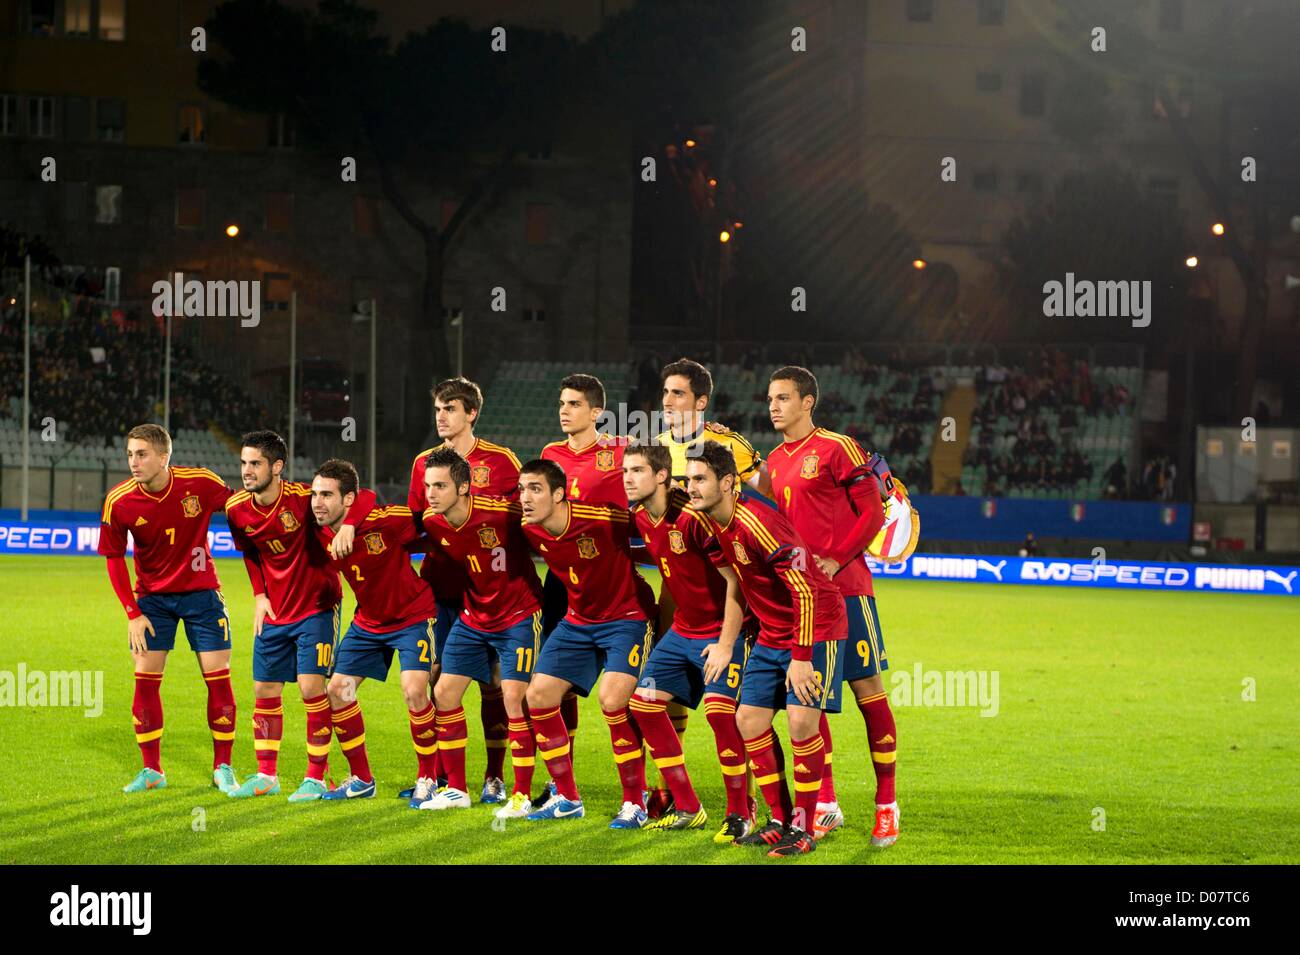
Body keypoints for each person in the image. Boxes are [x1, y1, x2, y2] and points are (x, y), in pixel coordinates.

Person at [687, 442, 848, 858]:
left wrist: (801, 658)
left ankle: (805, 826)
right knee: (750, 720)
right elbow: (739, 585)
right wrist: (729, 642)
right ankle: (779, 819)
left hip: (819, 625)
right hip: (773, 633)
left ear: (728, 483)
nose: (691, 488)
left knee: (800, 723)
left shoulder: (758, 522)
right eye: (689, 479)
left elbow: (806, 591)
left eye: (700, 479)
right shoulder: (715, 523)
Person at [765, 365, 900, 846]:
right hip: (803, 600)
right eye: (770, 399)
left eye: (783, 397)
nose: (774, 406)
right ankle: (825, 802)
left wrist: (837, 559)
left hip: (849, 589)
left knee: (868, 693)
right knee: (809, 700)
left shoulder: (837, 448)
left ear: (808, 402)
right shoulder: (773, 462)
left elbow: (874, 512)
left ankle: (887, 803)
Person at [225, 430, 374, 801]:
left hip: (316, 606)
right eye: (243, 463)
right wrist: (259, 594)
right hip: (274, 610)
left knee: (312, 689)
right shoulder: (236, 509)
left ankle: (315, 777)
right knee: (264, 689)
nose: (246, 471)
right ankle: (266, 775)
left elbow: (363, 497)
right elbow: (250, 552)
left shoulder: (304, 499)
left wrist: (352, 523)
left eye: (255, 463)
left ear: (277, 467)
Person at [100, 424, 241, 794]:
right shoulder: (120, 500)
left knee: (218, 677)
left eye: (142, 454)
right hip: (152, 602)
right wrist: (133, 613)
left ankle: (223, 767)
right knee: (145, 679)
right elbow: (114, 558)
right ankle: (152, 771)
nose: (134, 461)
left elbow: (240, 509)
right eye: (130, 454)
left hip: (203, 595)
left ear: (164, 457)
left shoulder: (201, 483)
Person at [517, 459, 657, 827]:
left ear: (559, 494)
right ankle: (566, 797)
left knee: (612, 701)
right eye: (521, 489)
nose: (525, 498)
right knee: (538, 696)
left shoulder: (602, 518)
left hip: (626, 618)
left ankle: (635, 801)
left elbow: (650, 527)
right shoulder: (531, 530)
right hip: (578, 621)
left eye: (535, 489)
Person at [401, 377, 521, 804]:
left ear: (471, 413)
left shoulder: (502, 461)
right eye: (437, 409)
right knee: (430, 680)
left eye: (449, 409)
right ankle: (430, 776)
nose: (441, 416)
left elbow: (519, 521)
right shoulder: (424, 464)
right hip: (437, 589)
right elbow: (414, 524)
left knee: (492, 683)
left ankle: (493, 776)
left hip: (490, 595)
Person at [623, 442, 752, 839]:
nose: (627, 478)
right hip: (682, 630)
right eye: (625, 471)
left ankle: (740, 814)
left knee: (720, 714)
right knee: (642, 705)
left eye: (637, 471)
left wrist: (727, 644)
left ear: (662, 476)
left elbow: (737, 582)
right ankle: (688, 806)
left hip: (721, 631)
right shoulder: (642, 516)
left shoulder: (694, 518)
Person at [417, 448, 545, 818]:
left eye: (440, 486)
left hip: (519, 615)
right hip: (474, 617)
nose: (431, 493)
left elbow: (545, 534)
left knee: (512, 698)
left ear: (463, 487)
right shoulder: (435, 521)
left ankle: (519, 793)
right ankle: (456, 788)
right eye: (428, 485)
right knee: (443, 692)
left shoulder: (504, 513)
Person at [310, 460, 442, 803]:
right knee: (338, 691)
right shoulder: (319, 530)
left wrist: (352, 524)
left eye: (326, 495)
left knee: (414, 691)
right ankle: (362, 779)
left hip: (413, 616)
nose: (317, 502)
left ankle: (428, 777)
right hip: (368, 623)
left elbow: (386, 504)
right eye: (315, 494)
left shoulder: (385, 522)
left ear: (348, 500)